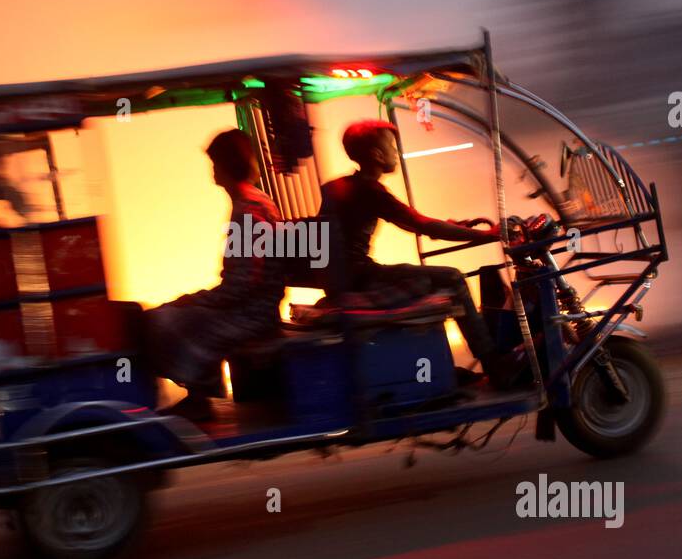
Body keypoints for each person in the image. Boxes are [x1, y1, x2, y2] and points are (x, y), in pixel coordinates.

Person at [317, 119, 544, 376]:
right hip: (361, 280)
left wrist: (458, 228)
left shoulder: (340, 186)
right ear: (376, 154)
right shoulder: (370, 190)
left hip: (348, 277)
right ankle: (495, 364)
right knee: (452, 278)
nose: (396, 152)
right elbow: (423, 226)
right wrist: (490, 235)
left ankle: (442, 364)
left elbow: (416, 222)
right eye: (391, 146)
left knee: (436, 280)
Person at [146, 129, 286, 421]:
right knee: (173, 313)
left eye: (215, 164)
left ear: (226, 165)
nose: (212, 171)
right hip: (246, 304)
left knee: (163, 320)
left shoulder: (250, 210)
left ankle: (202, 395)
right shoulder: (247, 205)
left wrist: (195, 300)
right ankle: (202, 391)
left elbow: (245, 283)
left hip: (253, 313)